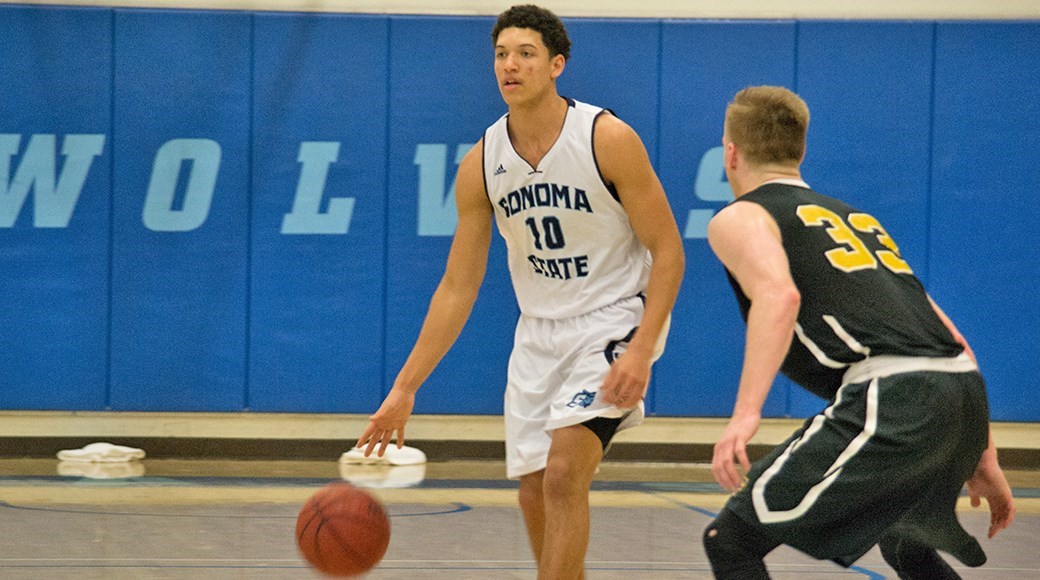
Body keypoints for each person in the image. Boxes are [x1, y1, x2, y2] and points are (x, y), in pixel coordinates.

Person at [357, 5, 685, 578]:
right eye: (502, 54)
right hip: (537, 336)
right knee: (534, 492)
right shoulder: (482, 162)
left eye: (526, 53)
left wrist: (640, 348)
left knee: (563, 475)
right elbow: (458, 287)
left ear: (557, 64)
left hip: (612, 322)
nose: (510, 65)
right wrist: (405, 388)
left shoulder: (607, 138)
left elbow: (669, 251)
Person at [702, 85, 1016, 579]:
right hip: (960, 389)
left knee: (731, 540)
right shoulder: (856, 219)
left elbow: (780, 297)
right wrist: (983, 449)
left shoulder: (741, 215)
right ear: (800, 151)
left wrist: (745, 414)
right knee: (906, 542)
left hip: (897, 394)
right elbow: (951, 336)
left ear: (731, 153)